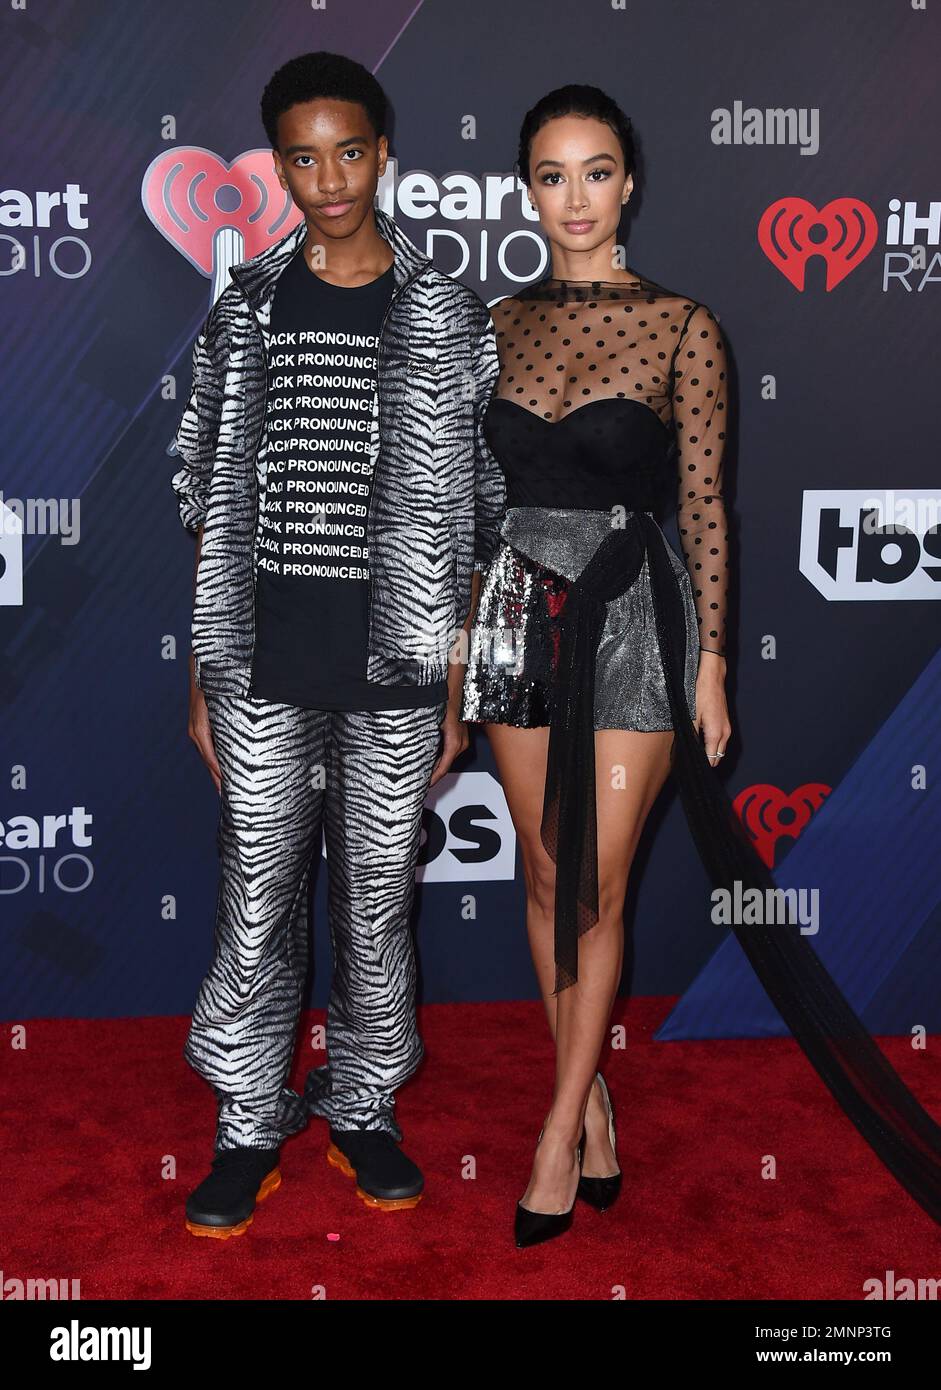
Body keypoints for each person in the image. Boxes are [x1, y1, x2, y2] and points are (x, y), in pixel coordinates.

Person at [461, 84, 941, 1247]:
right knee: (538, 871)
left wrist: (713, 659)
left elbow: (706, 510)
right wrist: (448, 646)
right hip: (514, 610)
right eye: (549, 174)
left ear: (629, 182)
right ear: (525, 188)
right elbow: (466, 503)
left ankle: (553, 1130)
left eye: (594, 170)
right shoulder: (491, 324)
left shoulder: (684, 326)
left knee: (596, 885)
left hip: (634, 617)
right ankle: (597, 1107)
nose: (571, 197)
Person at [171, 51, 504, 1238]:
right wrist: (201, 671)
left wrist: (456, 680)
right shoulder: (245, 305)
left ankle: (362, 1106)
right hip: (259, 659)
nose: (328, 179)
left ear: (383, 152)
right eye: (301, 157)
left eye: (348, 151)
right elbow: (204, 493)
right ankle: (247, 1123)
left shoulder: (446, 309)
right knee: (256, 899)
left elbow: (472, 510)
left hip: (400, 668)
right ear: (276, 166)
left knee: (375, 901)